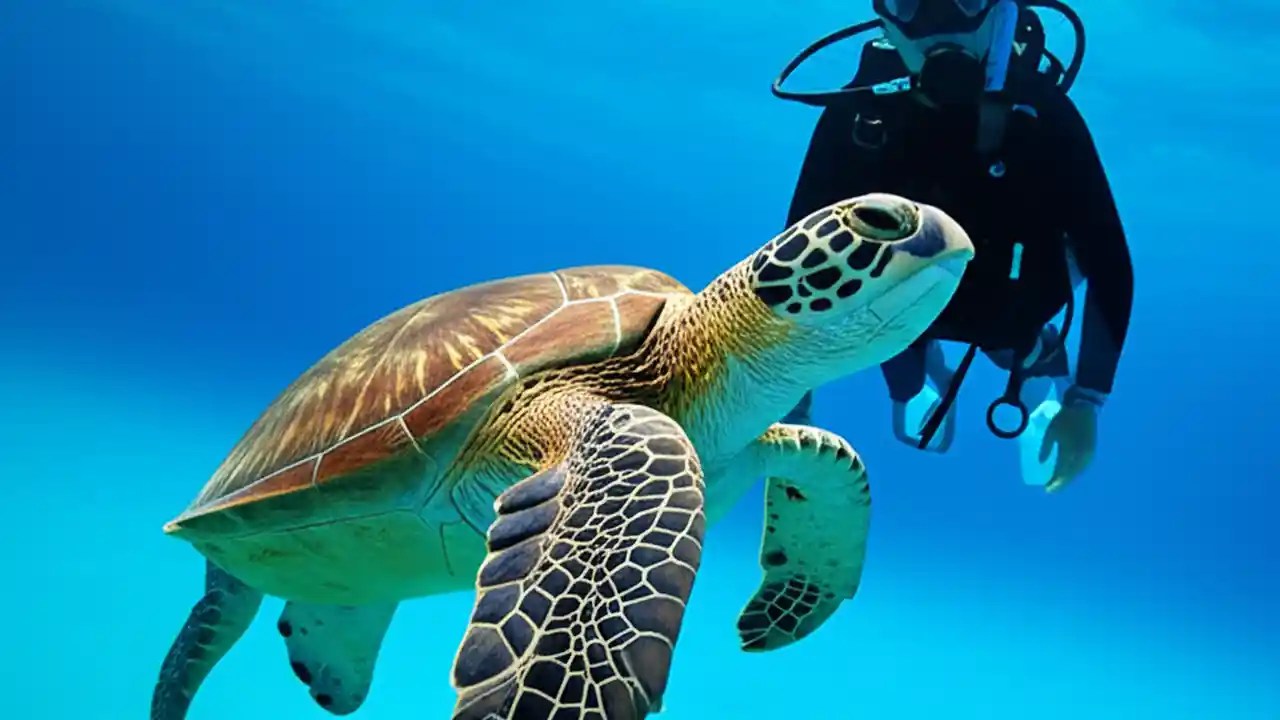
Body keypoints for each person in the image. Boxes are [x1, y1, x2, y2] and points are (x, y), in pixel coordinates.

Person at [774, 0, 1133, 492]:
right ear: (885, 17)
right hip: (898, 318)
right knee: (906, 388)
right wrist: (790, 389)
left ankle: (1040, 361)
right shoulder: (859, 116)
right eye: (909, 3)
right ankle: (927, 376)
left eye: (963, 1)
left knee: (1014, 352)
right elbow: (798, 255)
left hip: (1009, 309)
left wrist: (1086, 399)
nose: (935, 25)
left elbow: (1108, 260)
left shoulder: (1045, 117)